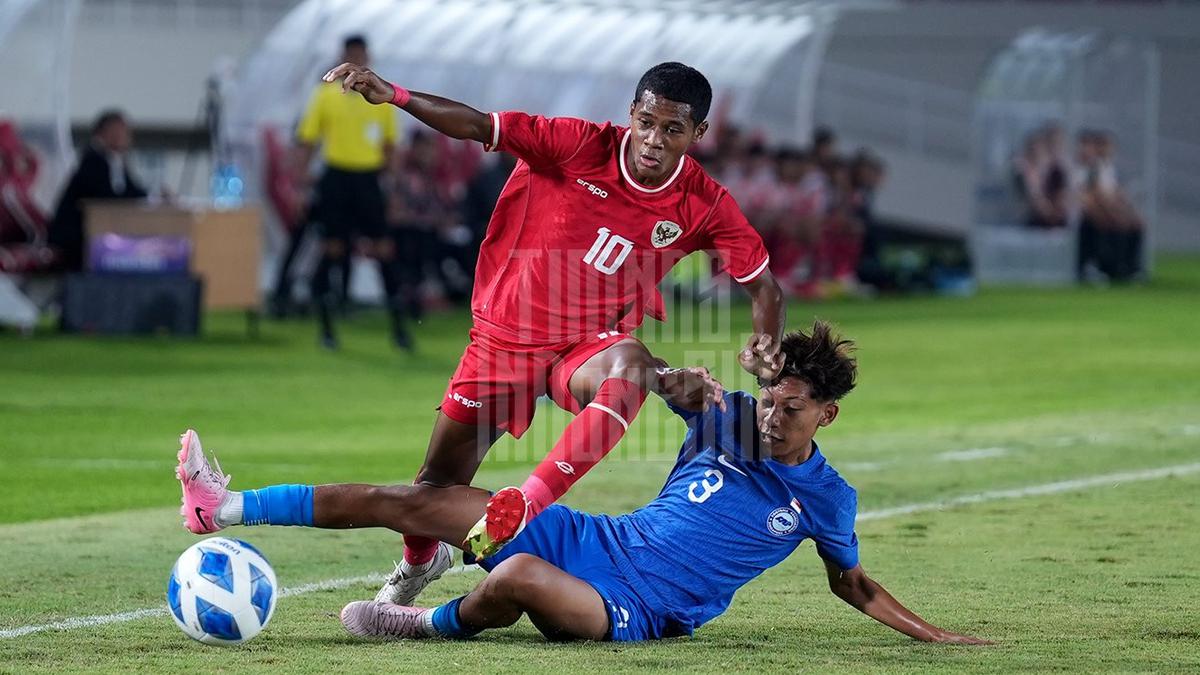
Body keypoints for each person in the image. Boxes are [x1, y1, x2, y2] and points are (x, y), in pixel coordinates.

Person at [262, 60, 787, 604]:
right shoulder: (576, 144)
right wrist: (394, 95)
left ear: (697, 133)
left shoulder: (704, 202)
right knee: (433, 486)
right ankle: (421, 559)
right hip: (505, 338)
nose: (654, 140)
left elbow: (765, 287)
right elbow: (475, 125)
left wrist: (767, 342)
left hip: (581, 348)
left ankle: (530, 499)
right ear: (632, 113)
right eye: (647, 122)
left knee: (627, 366)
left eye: (673, 130)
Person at [174, 321, 990, 646]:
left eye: (793, 409)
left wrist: (937, 637)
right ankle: (225, 505)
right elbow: (669, 384)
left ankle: (423, 622)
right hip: (595, 539)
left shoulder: (827, 499)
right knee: (416, 498)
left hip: (644, 606)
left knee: (517, 575)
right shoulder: (730, 416)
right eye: (772, 401)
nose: (774, 419)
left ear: (828, 416)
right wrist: (679, 377)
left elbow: (853, 581)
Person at [295, 35, 410, 350]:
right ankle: (327, 330)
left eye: (361, 56)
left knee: (384, 250)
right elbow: (308, 140)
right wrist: (300, 184)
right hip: (336, 178)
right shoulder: (325, 95)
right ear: (343, 58)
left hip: (368, 180)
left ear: (367, 59)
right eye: (351, 56)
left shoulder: (380, 97)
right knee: (332, 251)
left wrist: (394, 188)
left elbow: (390, 147)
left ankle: (400, 329)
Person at [48, 110, 148, 272]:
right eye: (120, 132)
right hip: (76, 238)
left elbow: (131, 191)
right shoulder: (93, 161)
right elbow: (106, 197)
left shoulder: (116, 161)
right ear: (106, 133)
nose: (125, 138)